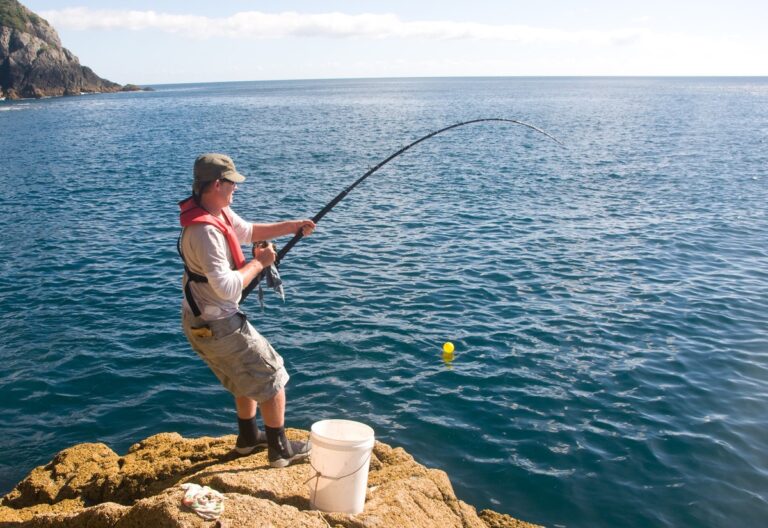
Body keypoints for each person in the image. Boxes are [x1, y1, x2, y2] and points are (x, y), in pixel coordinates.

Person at [178, 153, 316, 468]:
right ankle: (280, 450)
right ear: (216, 184)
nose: (235, 189)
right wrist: (259, 263)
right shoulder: (205, 232)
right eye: (231, 184)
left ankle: (247, 438)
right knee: (273, 376)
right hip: (219, 324)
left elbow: (249, 231)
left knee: (245, 377)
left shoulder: (215, 212)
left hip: (200, 321)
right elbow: (226, 287)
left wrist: (293, 226)